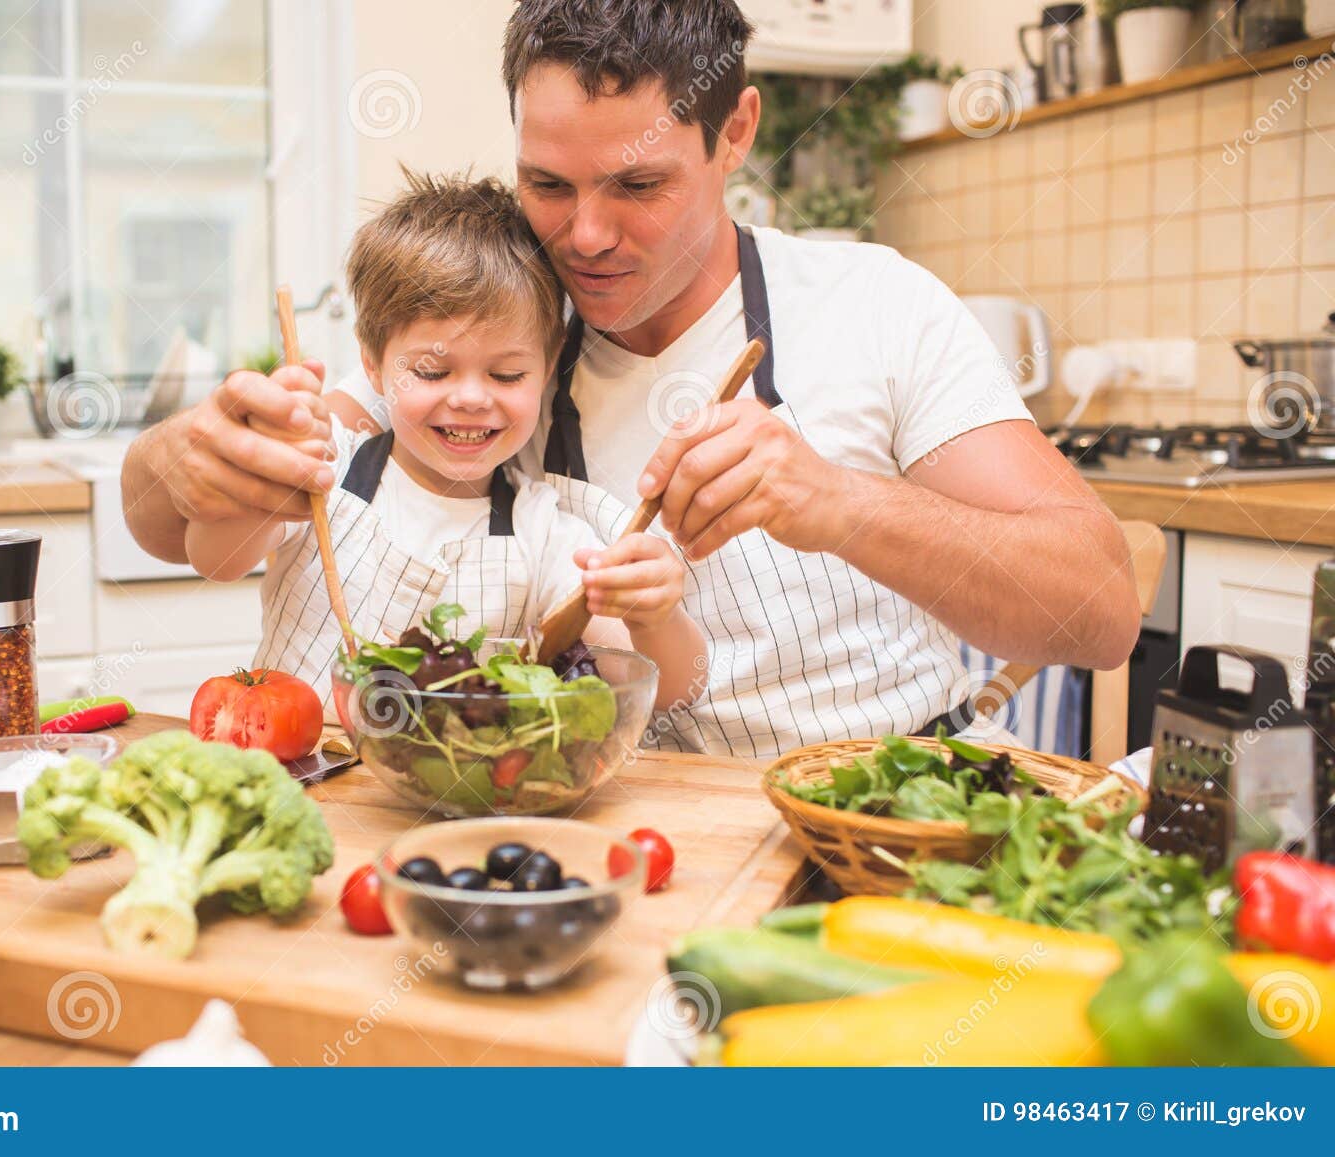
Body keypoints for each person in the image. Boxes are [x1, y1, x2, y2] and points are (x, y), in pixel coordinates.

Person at [122, 0, 1140, 759]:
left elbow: (1097, 611)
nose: (587, 237)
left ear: (734, 132)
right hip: (628, 818)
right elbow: (172, 519)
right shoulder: (499, 337)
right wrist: (187, 453)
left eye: (638, 186)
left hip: (880, 795)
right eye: (547, 185)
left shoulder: (873, 302)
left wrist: (837, 503)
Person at [183, 172, 705, 715]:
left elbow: (665, 694)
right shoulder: (323, 464)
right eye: (433, 372)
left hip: (453, 798)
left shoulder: (543, 531)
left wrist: (656, 617)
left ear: (547, 369)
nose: (472, 399)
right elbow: (214, 558)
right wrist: (264, 464)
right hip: (295, 781)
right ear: (373, 365)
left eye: (507, 376)